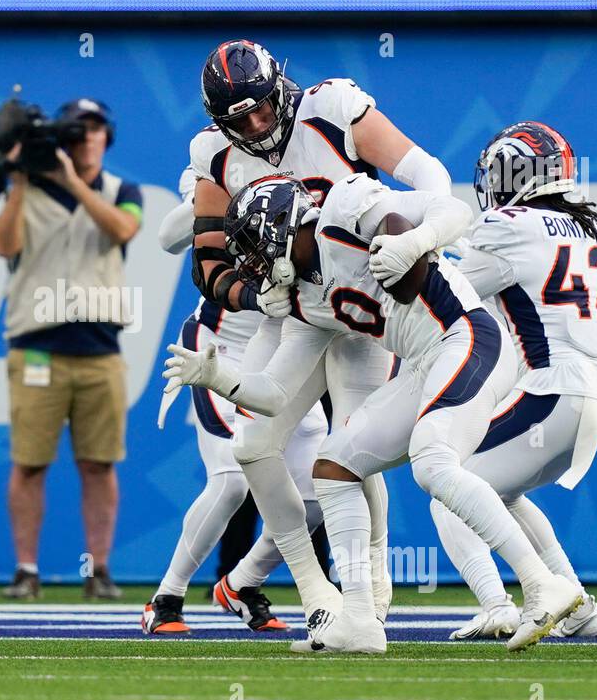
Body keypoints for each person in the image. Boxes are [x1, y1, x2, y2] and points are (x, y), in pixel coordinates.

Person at [164, 174, 584, 654]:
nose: (254, 268)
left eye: (255, 252)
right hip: (423, 364)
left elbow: (455, 212)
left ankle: (542, 584)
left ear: (278, 227)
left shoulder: (344, 209)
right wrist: (218, 378)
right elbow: (276, 393)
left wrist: (414, 242)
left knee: (433, 461)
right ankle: (360, 619)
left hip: (466, 336)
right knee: (335, 467)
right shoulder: (304, 300)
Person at [170, 39, 454, 624]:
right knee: (252, 446)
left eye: (261, 107)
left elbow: (429, 176)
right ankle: (316, 594)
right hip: (294, 312)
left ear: (281, 88)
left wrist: (407, 237)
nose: (255, 123)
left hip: (357, 308)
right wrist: (253, 294)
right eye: (238, 119)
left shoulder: (329, 109)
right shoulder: (215, 154)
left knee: (351, 451)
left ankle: (369, 593)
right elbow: (206, 260)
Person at [429, 122, 597, 640]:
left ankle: (503, 604)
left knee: (449, 483)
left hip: (557, 388)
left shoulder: (509, 226)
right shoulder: (586, 225)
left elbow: (451, 293)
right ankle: (579, 609)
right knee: (500, 494)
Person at [145, 166, 327, 634]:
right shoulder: (222, 177)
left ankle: (243, 583)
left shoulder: (314, 173)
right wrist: (224, 192)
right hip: (220, 349)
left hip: (288, 354)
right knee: (231, 479)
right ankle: (166, 598)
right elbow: (167, 237)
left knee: (321, 491)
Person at [0, 98, 141, 600]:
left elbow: (123, 229)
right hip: (36, 345)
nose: (86, 138)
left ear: (108, 137)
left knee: (99, 464)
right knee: (29, 462)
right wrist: (18, 183)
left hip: (100, 347)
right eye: (77, 130)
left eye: (95, 129)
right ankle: (26, 571)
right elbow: (3, 245)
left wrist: (74, 182)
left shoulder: (124, 190)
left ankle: (99, 570)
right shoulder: (29, 189)